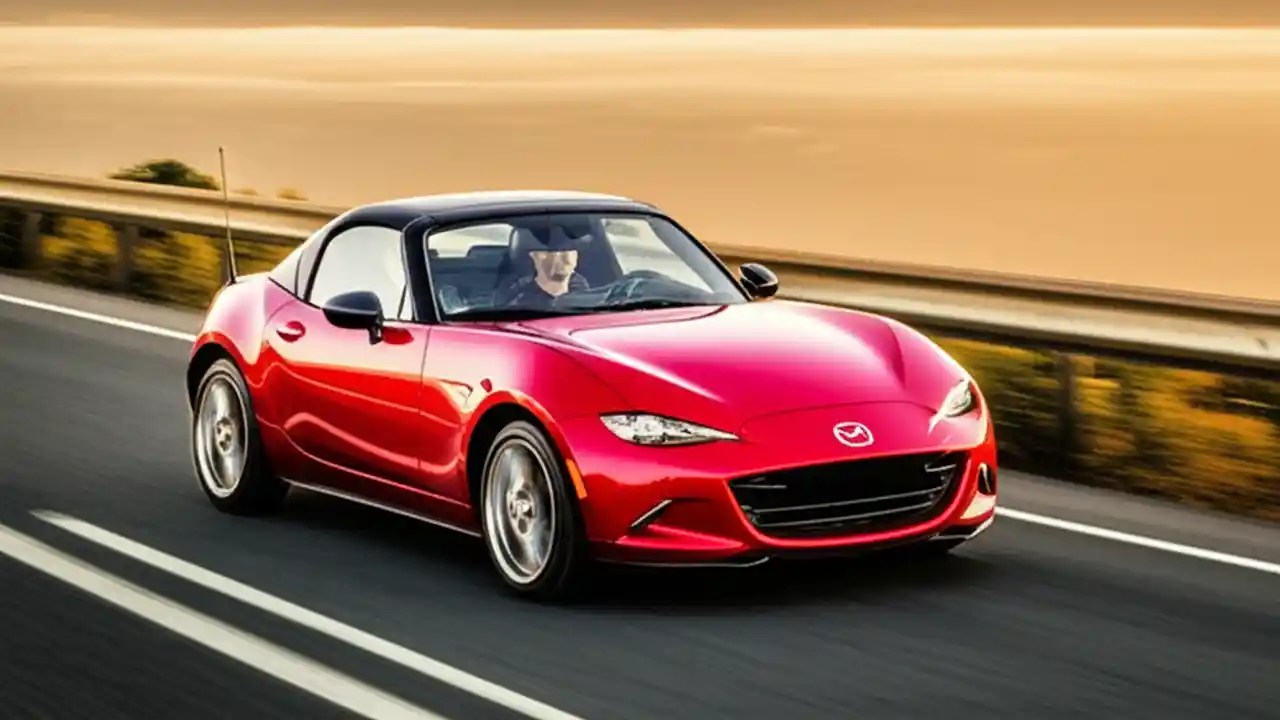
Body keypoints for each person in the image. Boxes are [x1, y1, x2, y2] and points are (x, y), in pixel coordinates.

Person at [494, 226, 590, 308]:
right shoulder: (519, 300)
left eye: (572, 249)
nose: (567, 257)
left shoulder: (586, 294)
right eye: (556, 251)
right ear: (536, 255)